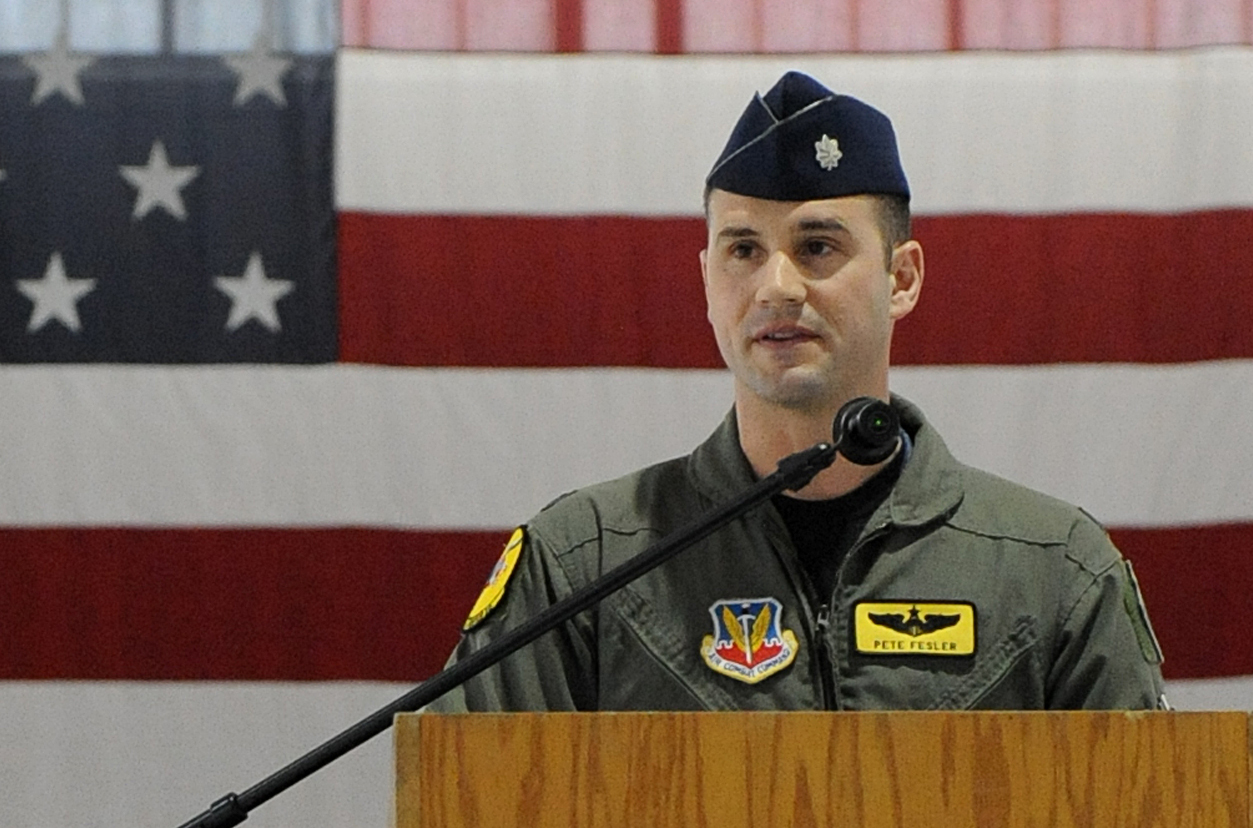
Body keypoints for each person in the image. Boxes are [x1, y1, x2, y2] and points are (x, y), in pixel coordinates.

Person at [439, 71, 1165, 712]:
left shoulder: (1051, 571)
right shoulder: (585, 566)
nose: (776, 287)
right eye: (744, 250)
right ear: (707, 281)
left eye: (818, 247)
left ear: (902, 278)